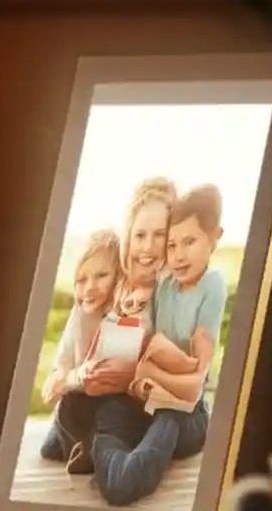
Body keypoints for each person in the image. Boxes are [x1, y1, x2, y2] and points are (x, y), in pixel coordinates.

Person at [89, 184, 229, 505]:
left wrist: (153, 369)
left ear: (214, 238)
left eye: (188, 242)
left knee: (171, 414)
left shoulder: (212, 286)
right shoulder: (163, 287)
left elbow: (192, 389)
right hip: (149, 402)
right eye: (173, 245)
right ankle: (112, 467)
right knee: (108, 410)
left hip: (184, 414)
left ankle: (126, 476)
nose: (177, 254)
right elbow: (138, 362)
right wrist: (144, 370)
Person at [55, 178, 177, 474]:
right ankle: (89, 444)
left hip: (138, 404)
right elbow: (60, 379)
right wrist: (81, 376)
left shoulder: (173, 294)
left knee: (111, 415)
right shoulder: (117, 295)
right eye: (140, 235)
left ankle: (105, 454)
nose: (148, 247)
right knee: (68, 411)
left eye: (159, 235)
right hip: (104, 393)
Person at [39, 229, 122, 462]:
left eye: (101, 276)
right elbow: (64, 358)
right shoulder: (79, 313)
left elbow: (102, 371)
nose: (89, 287)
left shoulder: (118, 316)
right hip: (79, 394)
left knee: (88, 409)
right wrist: (57, 376)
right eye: (82, 280)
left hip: (107, 399)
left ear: (119, 277)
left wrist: (68, 380)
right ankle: (83, 447)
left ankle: (95, 451)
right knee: (50, 449)